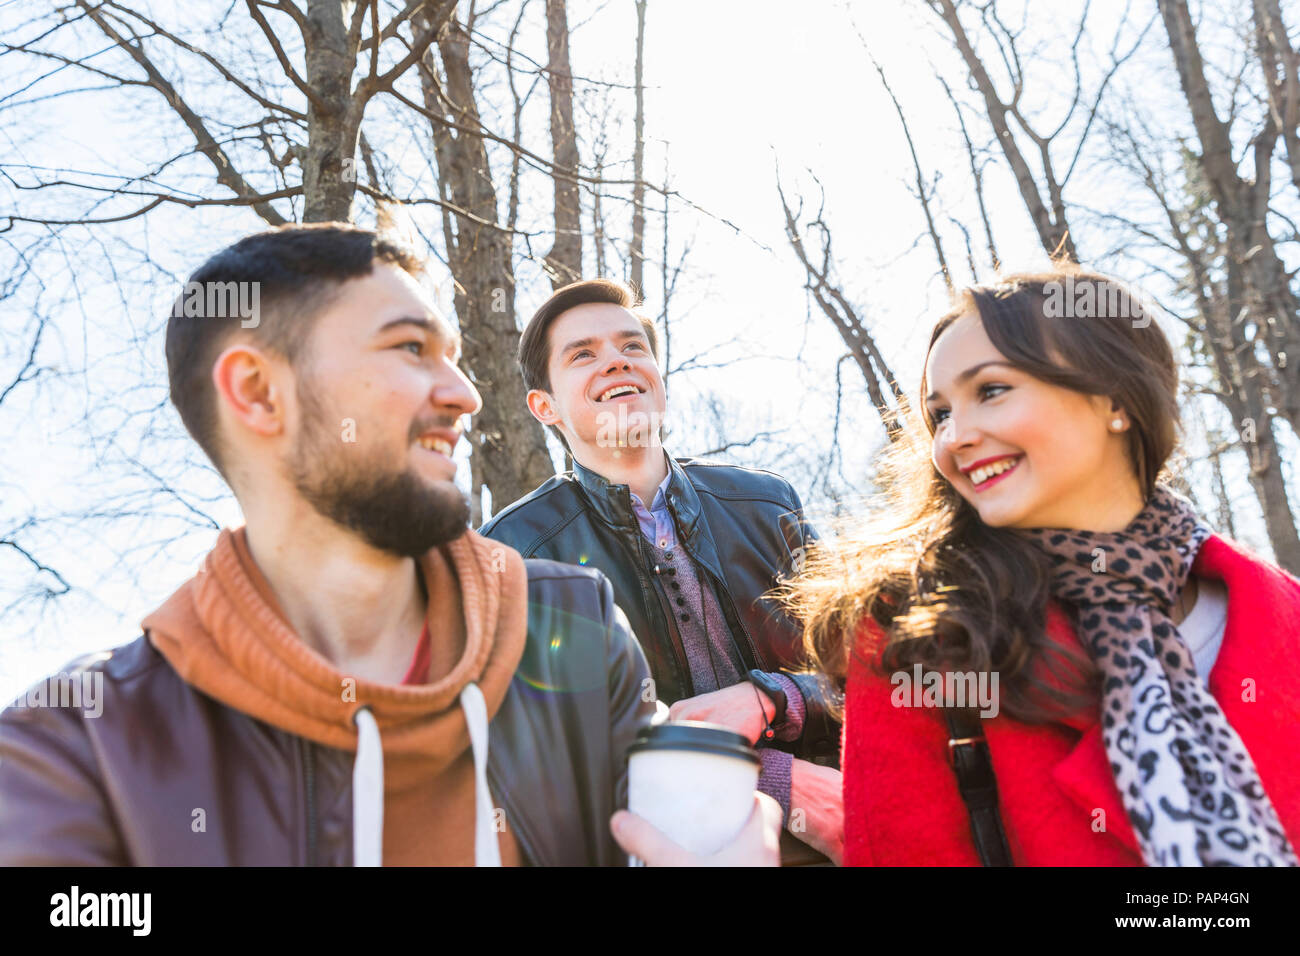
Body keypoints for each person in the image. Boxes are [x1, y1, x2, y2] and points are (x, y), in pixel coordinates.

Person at [0, 223, 684, 866]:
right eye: (411, 349)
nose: (465, 395)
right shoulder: (76, 745)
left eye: (455, 358)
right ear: (259, 392)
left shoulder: (574, 627)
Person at [784, 268, 1300, 866]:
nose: (956, 437)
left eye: (991, 391)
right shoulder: (918, 631)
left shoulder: (1278, 611)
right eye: (940, 414)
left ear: (1115, 399)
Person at [478, 278, 843, 864]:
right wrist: (771, 778)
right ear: (544, 407)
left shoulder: (768, 507)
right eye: (582, 354)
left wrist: (773, 698)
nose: (616, 362)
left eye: (632, 346)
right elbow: (543, 758)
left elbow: (875, 673)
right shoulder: (513, 552)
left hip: (848, 819)